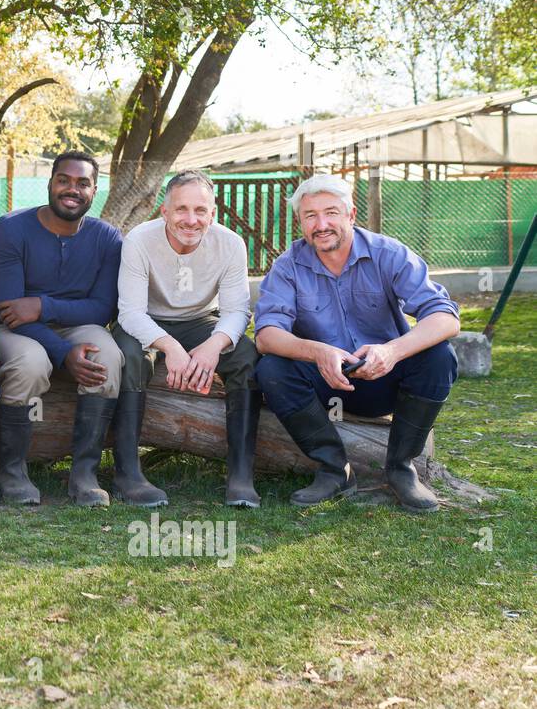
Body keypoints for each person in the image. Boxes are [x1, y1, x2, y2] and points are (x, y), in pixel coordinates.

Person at [254, 174, 460, 511]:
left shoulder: (388, 253)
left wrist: (391, 351)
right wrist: (317, 351)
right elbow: (266, 335)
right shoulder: (287, 266)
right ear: (300, 223)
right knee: (272, 367)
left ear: (350, 215)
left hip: (386, 380)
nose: (321, 224)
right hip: (325, 385)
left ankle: (400, 468)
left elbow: (446, 318)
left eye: (331, 213)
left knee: (440, 356)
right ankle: (335, 470)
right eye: (310, 216)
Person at [113, 170, 260, 507]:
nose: (191, 220)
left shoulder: (231, 243)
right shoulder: (139, 239)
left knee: (247, 358)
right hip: (145, 320)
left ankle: (240, 476)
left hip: (200, 321)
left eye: (200, 210)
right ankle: (128, 474)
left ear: (213, 213)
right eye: (181, 209)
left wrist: (213, 346)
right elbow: (130, 312)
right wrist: (170, 347)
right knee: (130, 359)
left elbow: (237, 311)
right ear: (164, 212)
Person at [0, 151, 124, 507]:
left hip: (78, 326)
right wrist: (62, 353)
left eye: (83, 183)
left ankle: (84, 474)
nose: (72, 189)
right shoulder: (11, 228)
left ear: (94, 191)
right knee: (30, 363)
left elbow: (103, 308)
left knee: (106, 355)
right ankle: (13, 471)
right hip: (12, 330)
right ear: (50, 183)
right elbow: (11, 311)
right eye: (64, 180)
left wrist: (44, 305)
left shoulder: (108, 238)